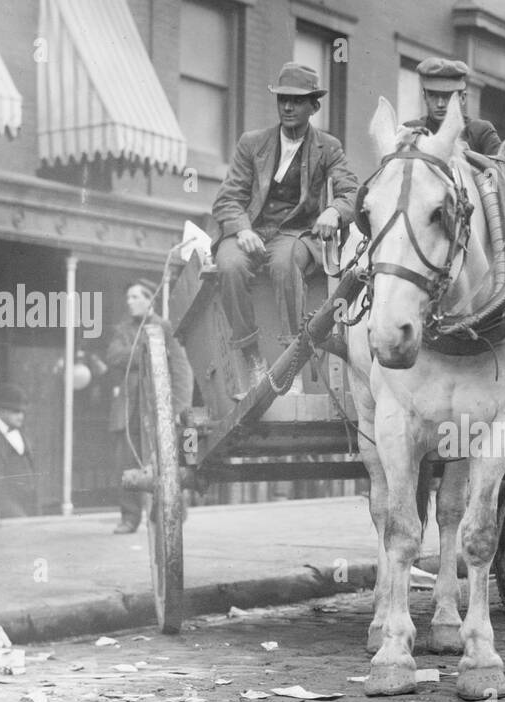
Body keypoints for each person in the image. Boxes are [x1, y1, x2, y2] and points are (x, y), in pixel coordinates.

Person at [211, 62, 358, 391]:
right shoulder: (252, 143)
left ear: (313, 106)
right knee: (229, 264)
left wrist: (334, 211)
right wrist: (243, 229)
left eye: (297, 101)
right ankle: (252, 356)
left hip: (296, 235)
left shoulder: (328, 148)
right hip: (252, 230)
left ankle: (292, 359)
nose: (288, 107)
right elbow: (227, 199)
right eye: (283, 100)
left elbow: (351, 192)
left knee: (285, 263)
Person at [107, 281, 194, 534]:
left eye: (135, 296)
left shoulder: (164, 327)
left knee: (164, 460)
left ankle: (164, 510)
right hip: (128, 410)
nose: (129, 301)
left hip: (157, 408)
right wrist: (145, 351)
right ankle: (129, 518)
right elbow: (113, 356)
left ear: (150, 300)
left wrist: (180, 408)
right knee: (125, 463)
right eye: (128, 296)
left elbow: (180, 368)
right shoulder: (122, 329)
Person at [404, 58, 505, 160]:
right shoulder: (411, 130)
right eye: (433, 96)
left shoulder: (480, 133)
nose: (440, 104)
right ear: (424, 96)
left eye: (447, 96)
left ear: (462, 98)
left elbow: (503, 175)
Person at [0, 382, 39, 519]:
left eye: (22, 412)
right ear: (1, 410)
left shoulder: (23, 435)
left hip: (27, 502)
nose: (21, 416)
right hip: (1, 504)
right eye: (15, 411)